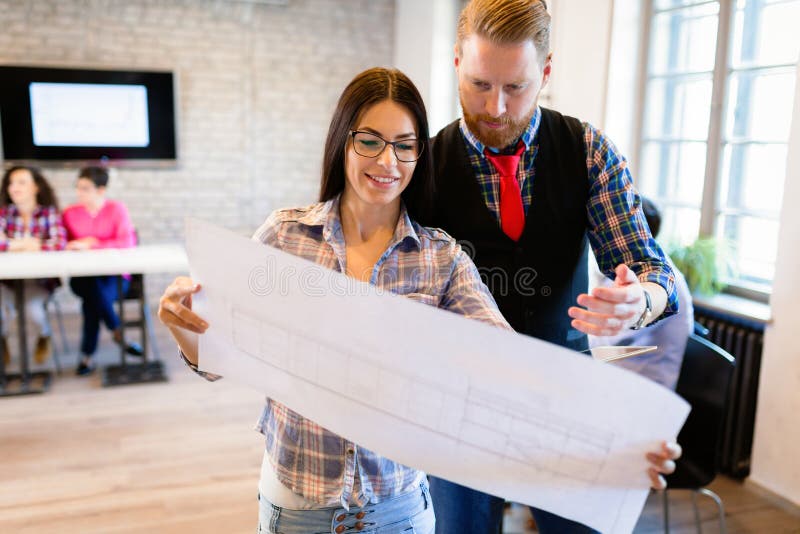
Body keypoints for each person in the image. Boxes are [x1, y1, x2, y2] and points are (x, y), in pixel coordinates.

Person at [158, 67, 680, 533]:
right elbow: (217, 358)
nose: (388, 161)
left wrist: (619, 443)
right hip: (295, 507)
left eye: (405, 145)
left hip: (398, 513)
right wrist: (184, 321)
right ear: (343, 140)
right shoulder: (285, 237)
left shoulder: (440, 259)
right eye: (370, 141)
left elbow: (515, 374)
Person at [421, 0, 682, 532]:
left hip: (564, 400)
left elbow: (656, 275)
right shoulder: (420, 164)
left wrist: (640, 301)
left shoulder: (588, 152)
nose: (495, 107)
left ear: (545, 71)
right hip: (454, 407)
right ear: (455, 62)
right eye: (478, 84)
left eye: (515, 87)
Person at [589, 197, 694, 390]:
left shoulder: (658, 283)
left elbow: (597, 340)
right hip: (618, 375)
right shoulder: (625, 271)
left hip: (643, 388)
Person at [62, 166, 141, 376]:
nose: (79, 193)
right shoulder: (70, 213)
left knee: (92, 302)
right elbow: (63, 244)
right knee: (92, 287)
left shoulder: (117, 209)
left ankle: (87, 356)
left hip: (114, 278)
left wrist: (92, 244)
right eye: (78, 188)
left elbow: (127, 243)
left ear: (101, 190)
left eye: (85, 188)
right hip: (81, 277)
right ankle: (118, 331)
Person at [0, 166, 67, 365]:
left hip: (39, 282)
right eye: (11, 183)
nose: (14, 187)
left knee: (33, 311)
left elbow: (58, 244)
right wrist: (26, 244)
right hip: (8, 282)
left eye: (21, 182)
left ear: (35, 187)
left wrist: (11, 244)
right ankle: (2, 341)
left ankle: (43, 336)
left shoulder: (49, 213)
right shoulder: (5, 214)